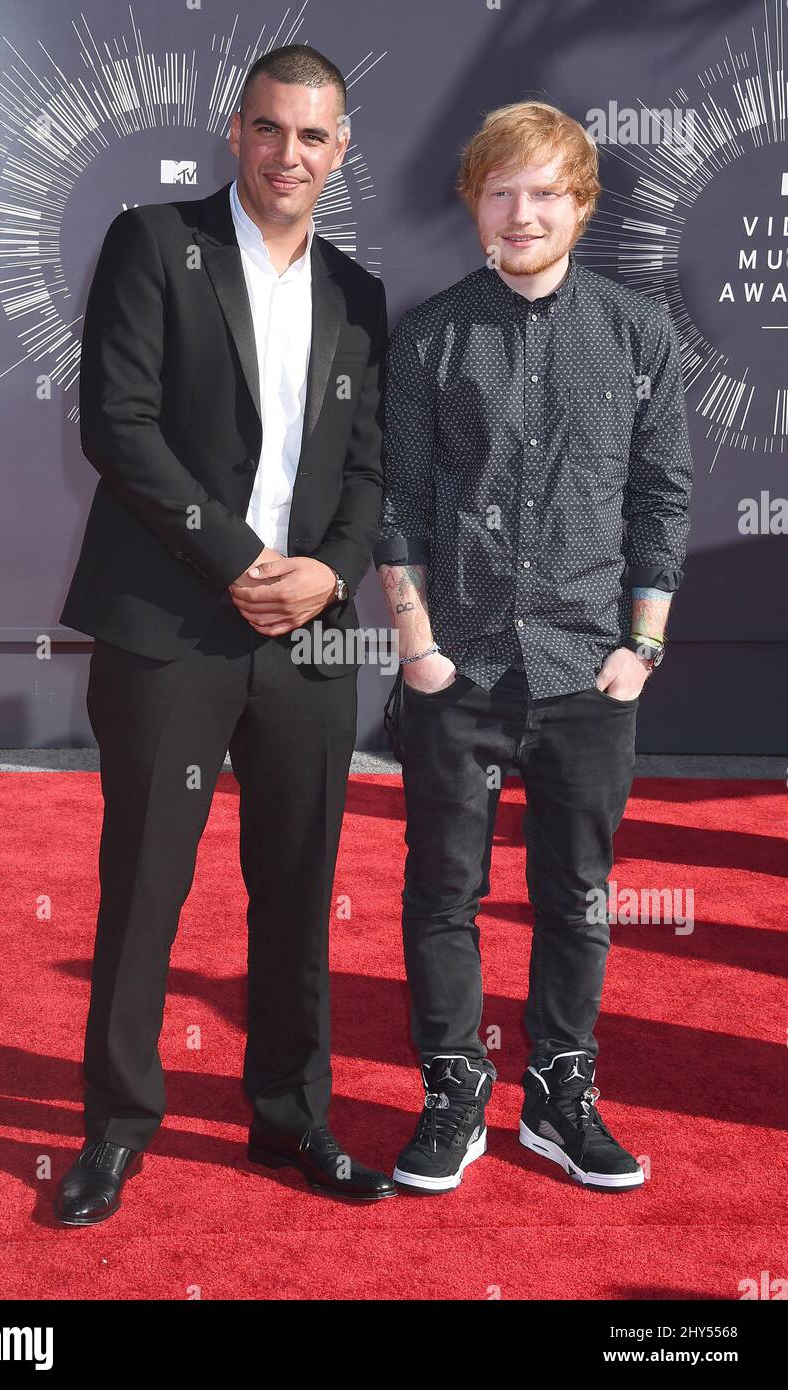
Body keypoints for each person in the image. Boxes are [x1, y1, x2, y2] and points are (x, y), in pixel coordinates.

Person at [54, 44, 395, 1224]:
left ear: (339, 150)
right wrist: (241, 559)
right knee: (144, 881)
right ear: (233, 131)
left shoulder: (358, 292)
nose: (287, 153)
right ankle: (113, 1128)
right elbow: (120, 424)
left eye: (312, 136)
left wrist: (328, 574)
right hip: (171, 622)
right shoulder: (155, 244)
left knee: (299, 886)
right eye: (268, 129)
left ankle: (291, 1116)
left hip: (307, 634)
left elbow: (367, 470)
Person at [373, 100, 693, 1193]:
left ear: (582, 206)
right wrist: (416, 645)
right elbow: (400, 503)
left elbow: (661, 497)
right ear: (472, 205)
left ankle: (560, 1093)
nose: (520, 214)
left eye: (544, 193)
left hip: (589, 670)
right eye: (499, 193)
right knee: (441, 893)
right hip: (455, 668)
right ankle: (453, 1092)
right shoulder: (428, 335)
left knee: (576, 896)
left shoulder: (639, 333)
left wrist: (638, 648)